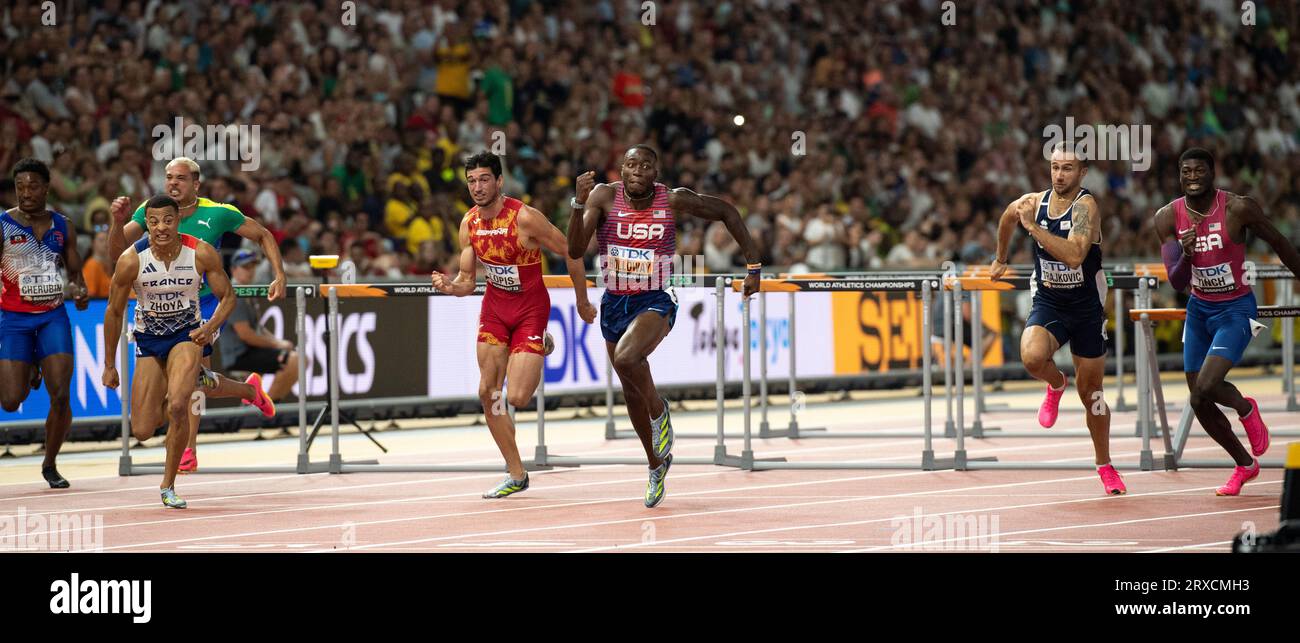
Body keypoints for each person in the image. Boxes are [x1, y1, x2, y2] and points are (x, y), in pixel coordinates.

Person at [568, 144, 761, 507]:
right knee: (629, 392)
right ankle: (656, 465)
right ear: (621, 171)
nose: (638, 170)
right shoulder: (603, 196)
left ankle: (661, 412)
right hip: (614, 301)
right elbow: (576, 249)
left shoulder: (672, 200)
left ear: (655, 173)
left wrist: (754, 266)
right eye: (630, 164)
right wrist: (578, 206)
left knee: (626, 359)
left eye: (645, 165)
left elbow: (726, 211)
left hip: (655, 298)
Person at [430, 151, 592, 499]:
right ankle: (516, 473)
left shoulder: (525, 218)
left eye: (484, 179)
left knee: (516, 396)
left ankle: (541, 344)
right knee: (489, 394)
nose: (477, 186)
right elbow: (467, 281)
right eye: (471, 180)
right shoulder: (468, 224)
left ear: (500, 181)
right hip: (494, 310)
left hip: (531, 310)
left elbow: (572, 250)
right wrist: (450, 288)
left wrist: (581, 300)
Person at [108, 157, 281, 473]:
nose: (173, 183)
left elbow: (263, 235)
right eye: (169, 177)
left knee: (191, 378)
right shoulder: (153, 210)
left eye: (181, 179)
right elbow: (118, 252)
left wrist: (279, 275)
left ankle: (189, 448)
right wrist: (117, 223)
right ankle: (248, 390)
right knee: (196, 380)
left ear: (196, 184)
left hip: (204, 304)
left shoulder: (217, 212)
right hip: (159, 304)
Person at [1150, 147, 1300, 495]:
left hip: (1236, 310)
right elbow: (1175, 279)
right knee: (1198, 399)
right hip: (1199, 310)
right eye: (1186, 172)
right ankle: (1245, 465)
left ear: (1212, 173)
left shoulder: (1237, 208)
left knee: (1206, 385)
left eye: (1199, 171)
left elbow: (1279, 241)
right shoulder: (1167, 217)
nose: (1192, 177)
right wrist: (1186, 254)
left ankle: (1247, 409)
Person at [990, 143, 1124, 495]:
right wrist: (1001, 257)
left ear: (1082, 173)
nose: (1059, 174)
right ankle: (1054, 383)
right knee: (1032, 357)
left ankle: (1105, 464)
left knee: (1092, 394)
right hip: (1050, 301)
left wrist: (1032, 227)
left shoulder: (1087, 207)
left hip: (1086, 309)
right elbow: (1007, 217)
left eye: (1067, 168)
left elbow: (1076, 256)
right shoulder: (1032, 200)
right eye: (1054, 167)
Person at [0, 158, 89, 488]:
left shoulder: (63, 225)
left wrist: (80, 291)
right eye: (20, 187)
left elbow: (76, 273)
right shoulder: (3, 225)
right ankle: (32, 368)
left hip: (52, 317)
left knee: (61, 396)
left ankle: (50, 464)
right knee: (10, 400)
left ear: (46, 188)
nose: (25, 193)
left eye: (32, 186)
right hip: (14, 319)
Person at [216, 250, 300, 402]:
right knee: (294, 361)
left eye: (252, 266)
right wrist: (277, 344)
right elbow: (246, 335)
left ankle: (264, 406)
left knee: (296, 359)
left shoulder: (247, 292)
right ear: (234, 269)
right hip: (238, 355)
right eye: (245, 267)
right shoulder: (235, 293)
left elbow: (258, 329)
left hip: (249, 351)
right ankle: (266, 408)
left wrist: (279, 344)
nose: (251, 271)